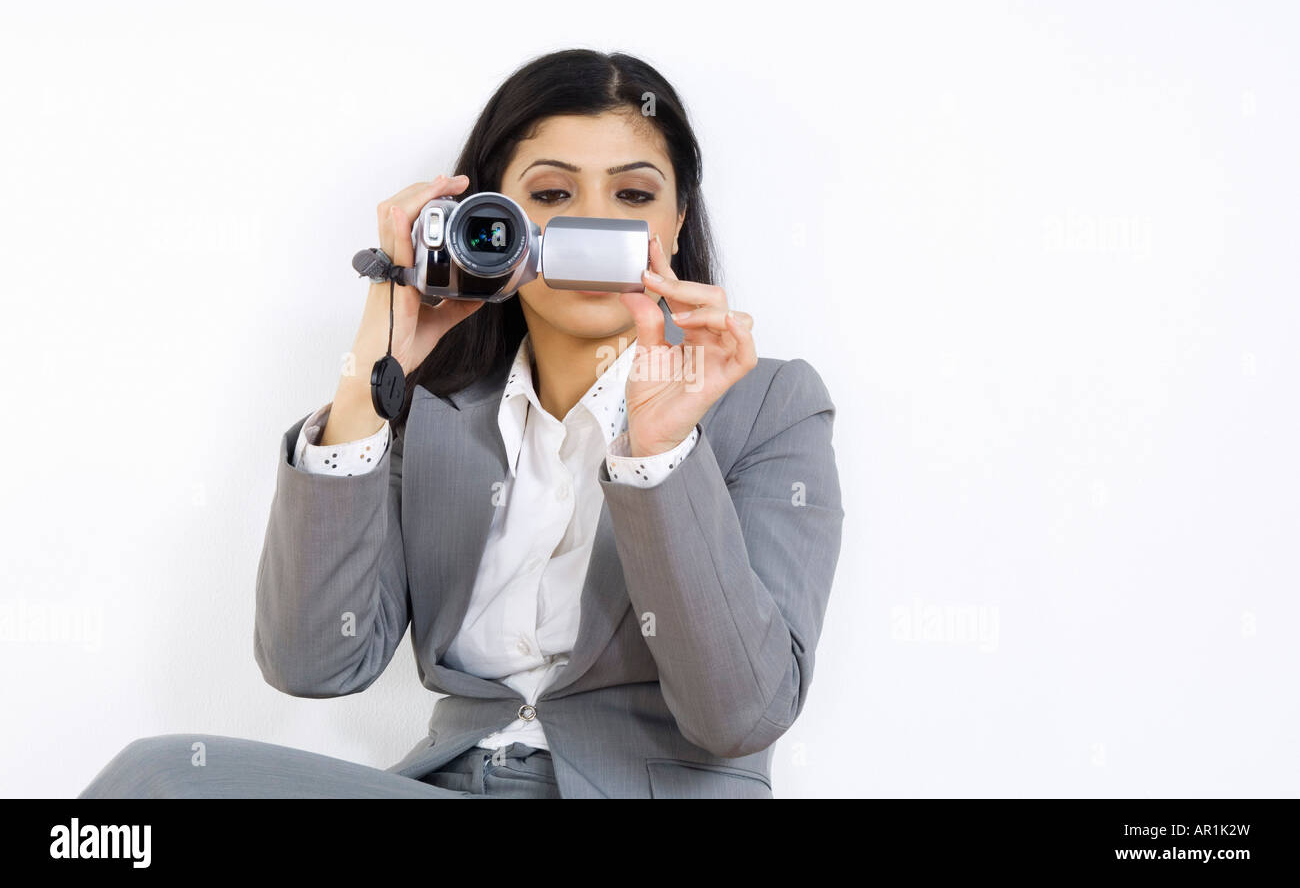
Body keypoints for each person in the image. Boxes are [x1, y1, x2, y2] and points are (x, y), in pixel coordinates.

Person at [79, 48, 843, 799]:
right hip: (447, 781)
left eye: (633, 198)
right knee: (155, 786)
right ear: (492, 224)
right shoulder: (434, 414)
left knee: (162, 781)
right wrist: (369, 381)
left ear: (675, 226)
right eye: (550, 195)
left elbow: (741, 713)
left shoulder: (768, 407)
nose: (590, 228)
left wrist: (659, 453)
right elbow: (314, 660)